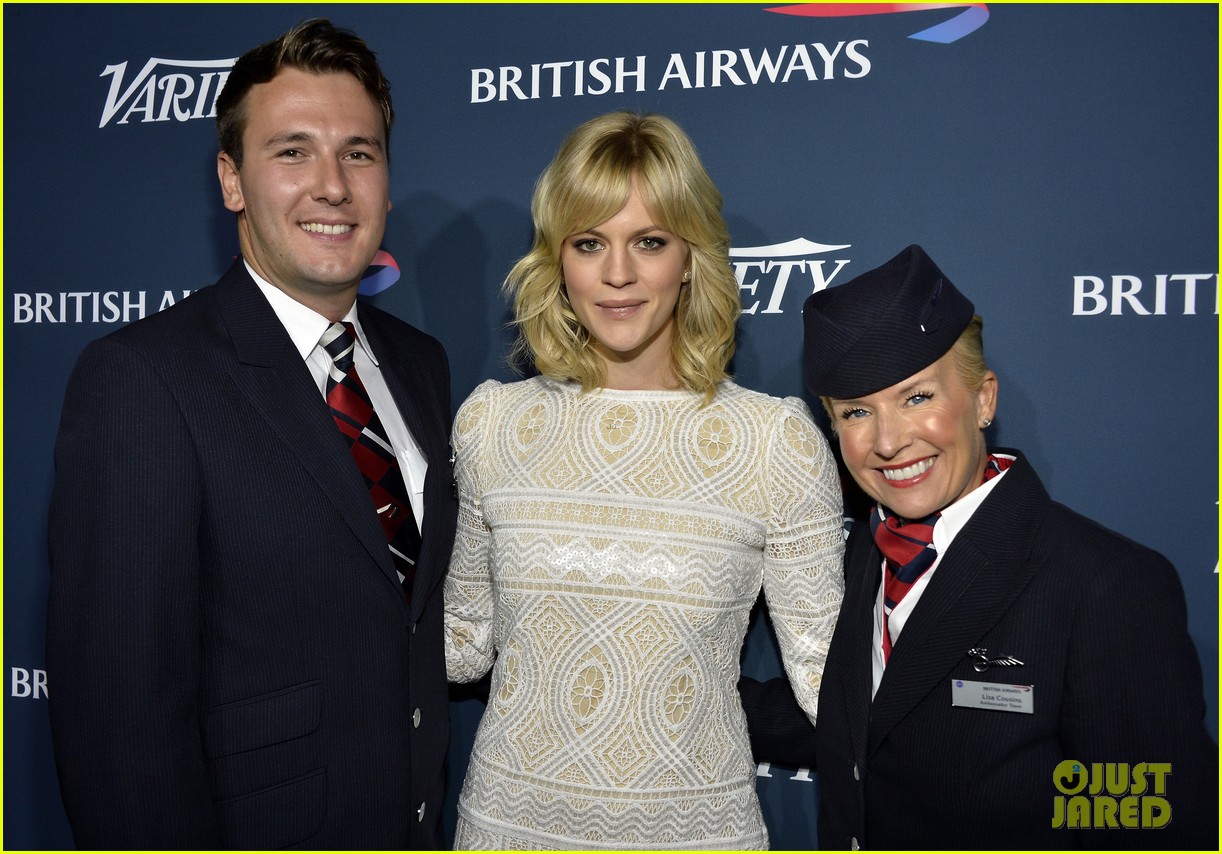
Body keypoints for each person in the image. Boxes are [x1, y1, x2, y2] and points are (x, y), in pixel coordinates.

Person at [46, 19, 457, 849]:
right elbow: (119, 727)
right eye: (292, 152)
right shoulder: (141, 379)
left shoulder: (421, 365)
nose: (332, 186)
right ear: (232, 181)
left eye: (359, 152)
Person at [442, 111, 845, 850]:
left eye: (649, 242)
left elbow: (831, 682)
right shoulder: (493, 426)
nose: (618, 273)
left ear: (690, 256)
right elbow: (462, 642)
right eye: (589, 243)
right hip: (508, 829)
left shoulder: (773, 443)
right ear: (558, 261)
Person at [746, 244, 1217, 849]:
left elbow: (1149, 822)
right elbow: (876, 724)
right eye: (857, 412)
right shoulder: (868, 551)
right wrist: (670, 692)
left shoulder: (1104, 583)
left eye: (917, 397)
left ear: (984, 399)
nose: (888, 441)